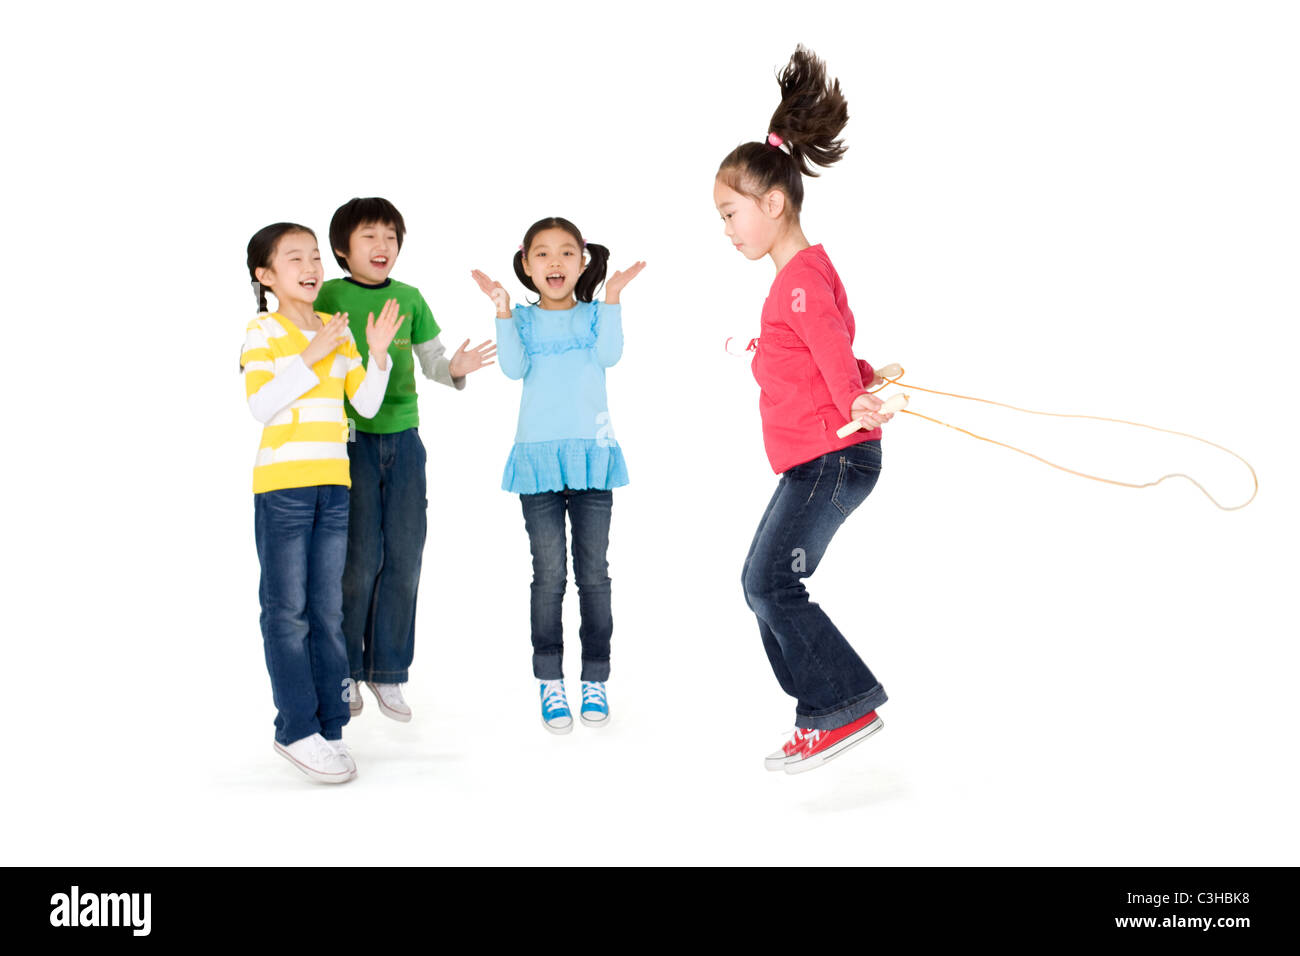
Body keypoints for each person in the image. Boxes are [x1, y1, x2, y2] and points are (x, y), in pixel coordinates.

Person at [714, 47, 897, 774]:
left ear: (773, 203)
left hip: (832, 455)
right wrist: (853, 374)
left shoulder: (797, 282)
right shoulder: (801, 279)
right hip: (818, 458)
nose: (726, 227)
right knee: (760, 583)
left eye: (730, 213)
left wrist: (854, 393)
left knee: (770, 583)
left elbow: (823, 343)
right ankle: (821, 711)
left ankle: (839, 706)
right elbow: (825, 348)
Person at [315, 197, 496, 722]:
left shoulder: (411, 298)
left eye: (391, 236)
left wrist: (454, 367)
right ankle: (345, 667)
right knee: (357, 560)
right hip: (349, 441)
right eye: (369, 236)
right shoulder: (328, 294)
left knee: (405, 556)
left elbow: (433, 361)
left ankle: (388, 673)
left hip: (405, 440)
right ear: (343, 249)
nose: (383, 246)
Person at [241, 222, 402, 783]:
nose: (310, 267)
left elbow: (363, 402)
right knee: (288, 612)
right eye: (294, 259)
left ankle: (330, 726)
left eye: (314, 257)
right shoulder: (262, 331)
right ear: (266, 276)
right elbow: (262, 405)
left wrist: (376, 355)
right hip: (283, 488)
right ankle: (295, 728)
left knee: (328, 610)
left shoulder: (338, 330)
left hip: (335, 486)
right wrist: (311, 353)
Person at [471, 218, 644, 733]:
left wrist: (613, 297)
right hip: (538, 462)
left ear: (582, 262)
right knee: (548, 577)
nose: (555, 263)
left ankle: (595, 676)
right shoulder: (521, 320)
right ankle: (550, 681)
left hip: (592, 458)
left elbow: (611, 355)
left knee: (594, 576)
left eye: (566, 253)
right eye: (542, 254)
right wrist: (502, 311)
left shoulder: (596, 315)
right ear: (526, 264)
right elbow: (512, 369)